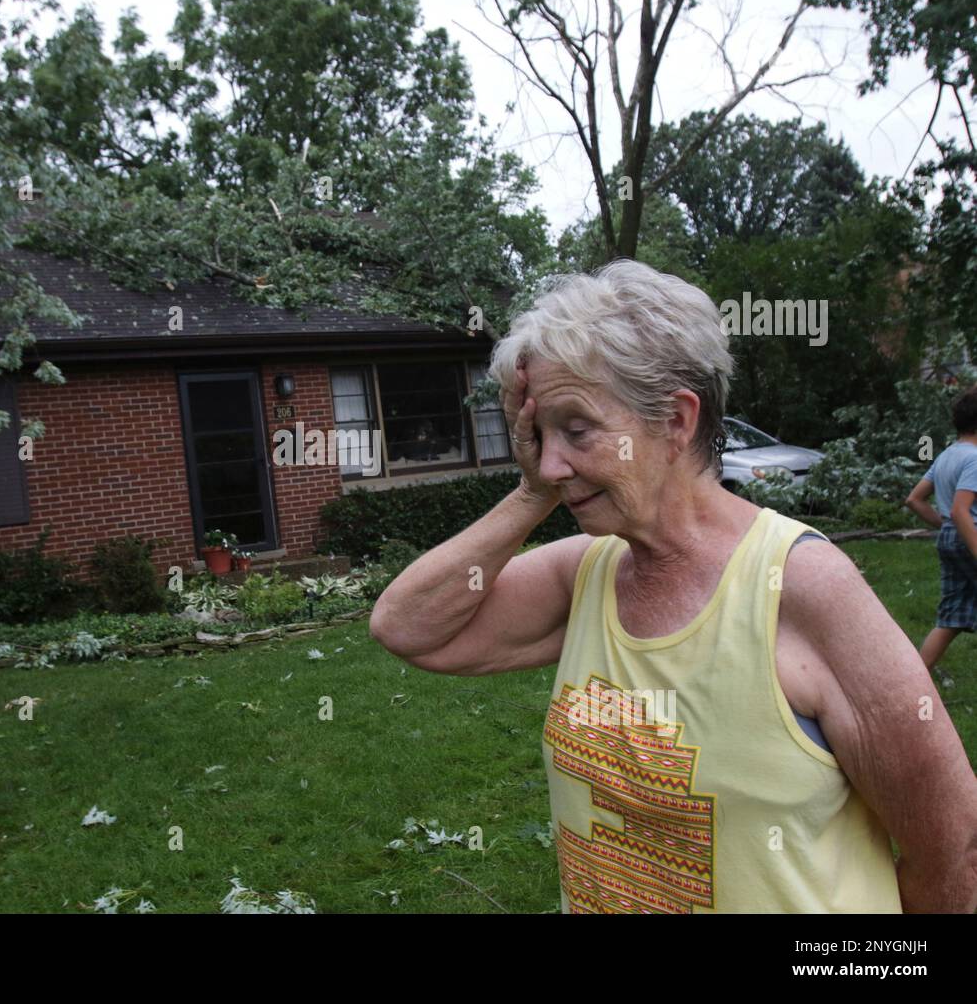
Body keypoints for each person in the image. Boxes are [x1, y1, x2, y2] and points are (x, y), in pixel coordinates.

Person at [369, 260, 977, 914]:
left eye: (577, 429)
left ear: (677, 421)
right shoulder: (587, 572)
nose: (550, 460)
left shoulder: (802, 587)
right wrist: (530, 494)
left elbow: (955, 850)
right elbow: (407, 626)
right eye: (541, 433)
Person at [905, 386, 977, 687]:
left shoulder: (948, 454)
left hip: (951, 538)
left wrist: (945, 525)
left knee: (952, 616)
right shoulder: (975, 458)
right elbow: (962, 510)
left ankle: (915, 681)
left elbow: (914, 499)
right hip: (970, 536)